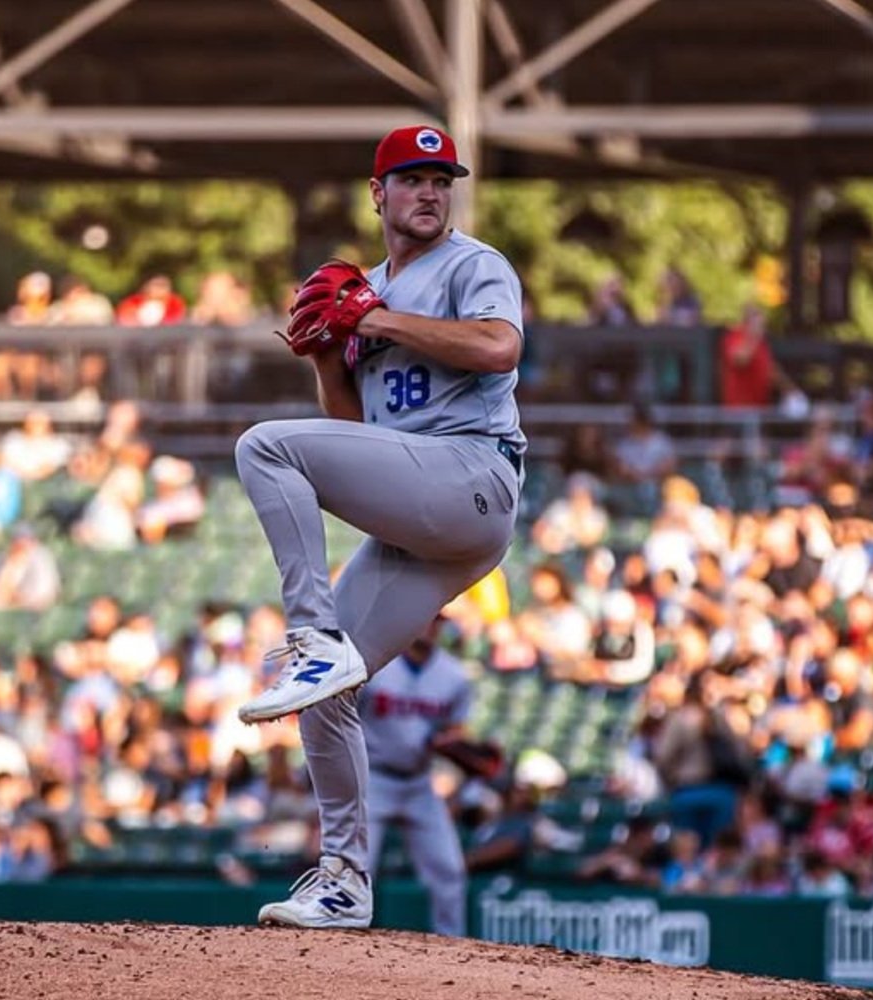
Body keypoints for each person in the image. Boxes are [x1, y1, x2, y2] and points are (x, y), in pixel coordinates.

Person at [232, 124, 523, 930]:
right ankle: (344, 881)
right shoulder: (366, 290)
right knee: (328, 691)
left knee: (264, 446)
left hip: (474, 476)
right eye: (413, 178)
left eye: (441, 178)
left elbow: (498, 347)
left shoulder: (474, 264)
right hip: (417, 501)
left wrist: (378, 320)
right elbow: (354, 432)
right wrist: (328, 355)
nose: (430, 191)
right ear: (379, 194)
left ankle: (311, 631)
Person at [360, 616, 472, 936]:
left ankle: (455, 947)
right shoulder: (375, 667)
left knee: (449, 870)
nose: (429, 626)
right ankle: (343, 944)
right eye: (423, 619)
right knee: (357, 869)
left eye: (436, 621)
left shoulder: (455, 676)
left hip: (420, 782)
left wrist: (455, 744)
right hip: (374, 778)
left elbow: (456, 730)